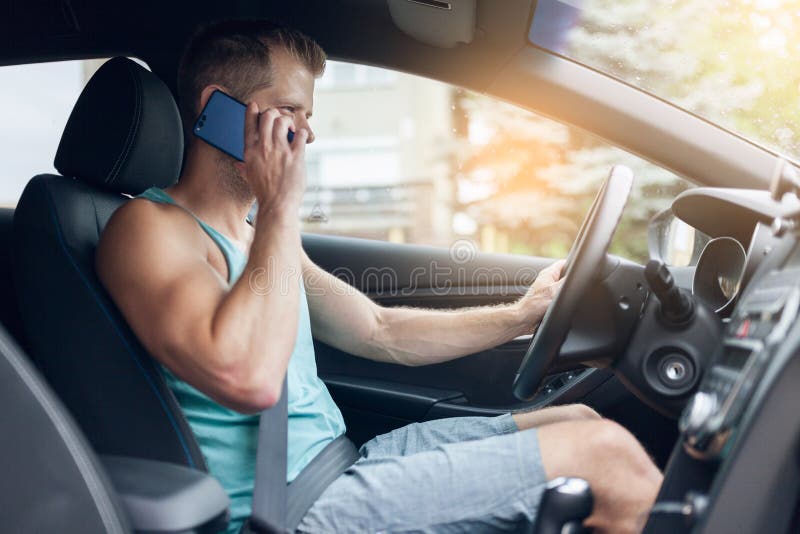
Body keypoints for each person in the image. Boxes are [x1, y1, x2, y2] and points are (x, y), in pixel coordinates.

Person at [96, 19, 662, 534]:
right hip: (283, 511)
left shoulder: (257, 233)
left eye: (308, 117)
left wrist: (523, 312)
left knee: (579, 418)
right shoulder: (148, 228)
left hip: (343, 464)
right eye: (290, 112)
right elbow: (248, 380)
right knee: (604, 457)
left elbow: (377, 330)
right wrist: (280, 207)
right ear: (218, 109)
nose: (308, 136)